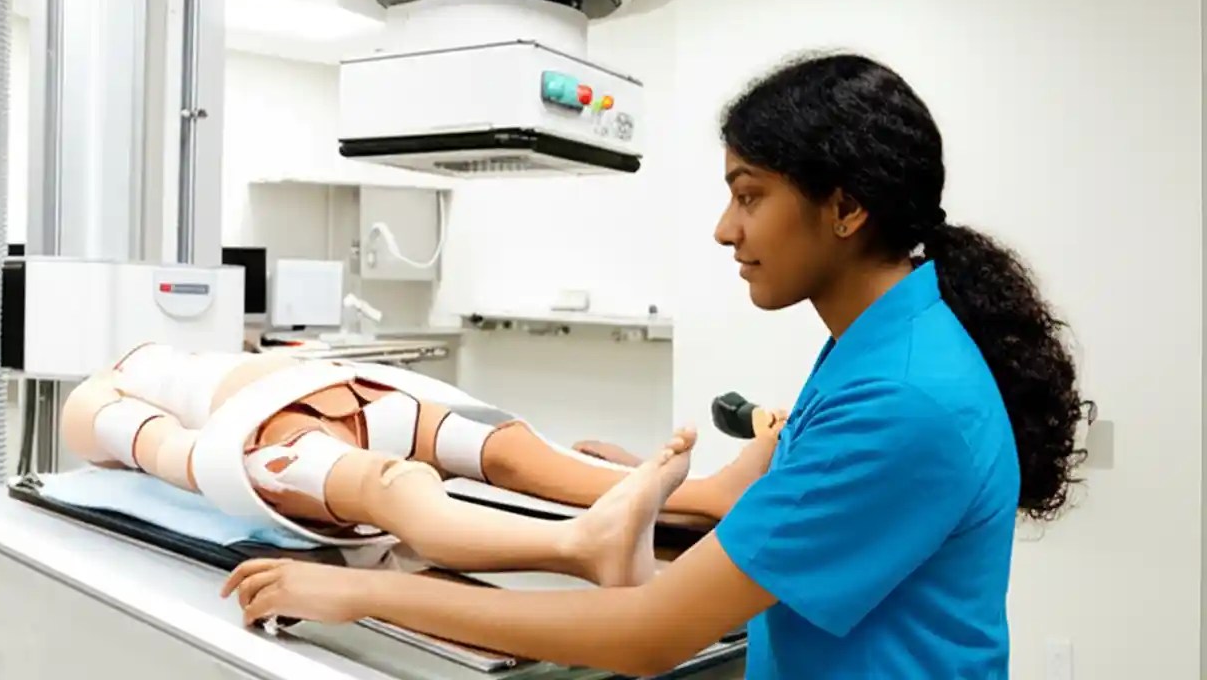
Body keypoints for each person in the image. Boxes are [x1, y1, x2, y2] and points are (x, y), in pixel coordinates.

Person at [222, 52, 1090, 678]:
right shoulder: (883, 346)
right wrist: (641, 489)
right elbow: (767, 502)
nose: (725, 229)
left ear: (846, 207)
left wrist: (368, 597)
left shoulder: (903, 396)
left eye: (749, 196)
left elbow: (649, 635)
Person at [62, 343, 781, 586]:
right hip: (265, 432)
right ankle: (577, 545)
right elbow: (162, 451)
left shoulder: (156, 369)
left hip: (348, 390)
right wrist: (181, 450)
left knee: (501, 448)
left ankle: (712, 495)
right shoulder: (95, 399)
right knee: (389, 487)